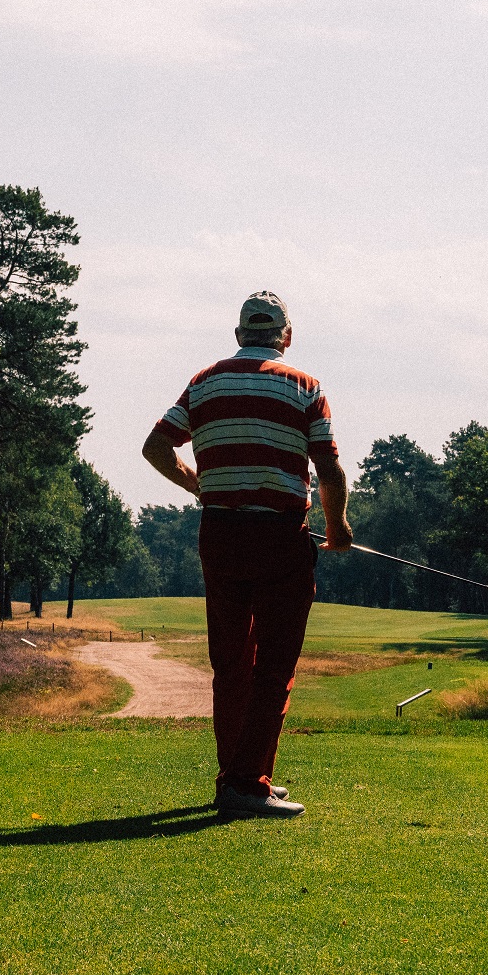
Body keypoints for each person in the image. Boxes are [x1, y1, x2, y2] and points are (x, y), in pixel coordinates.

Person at [141, 291, 352, 818]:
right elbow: (328, 469)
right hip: (280, 535)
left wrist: (196, 484)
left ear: (239, 335)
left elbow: (155, 447)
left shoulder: (204, 382)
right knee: (274, 663)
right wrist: (338, 524)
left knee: (231, 661)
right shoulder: (305, 387)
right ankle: (244, 783)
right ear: (285, 335)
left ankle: (241, 773)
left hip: (220, 533)